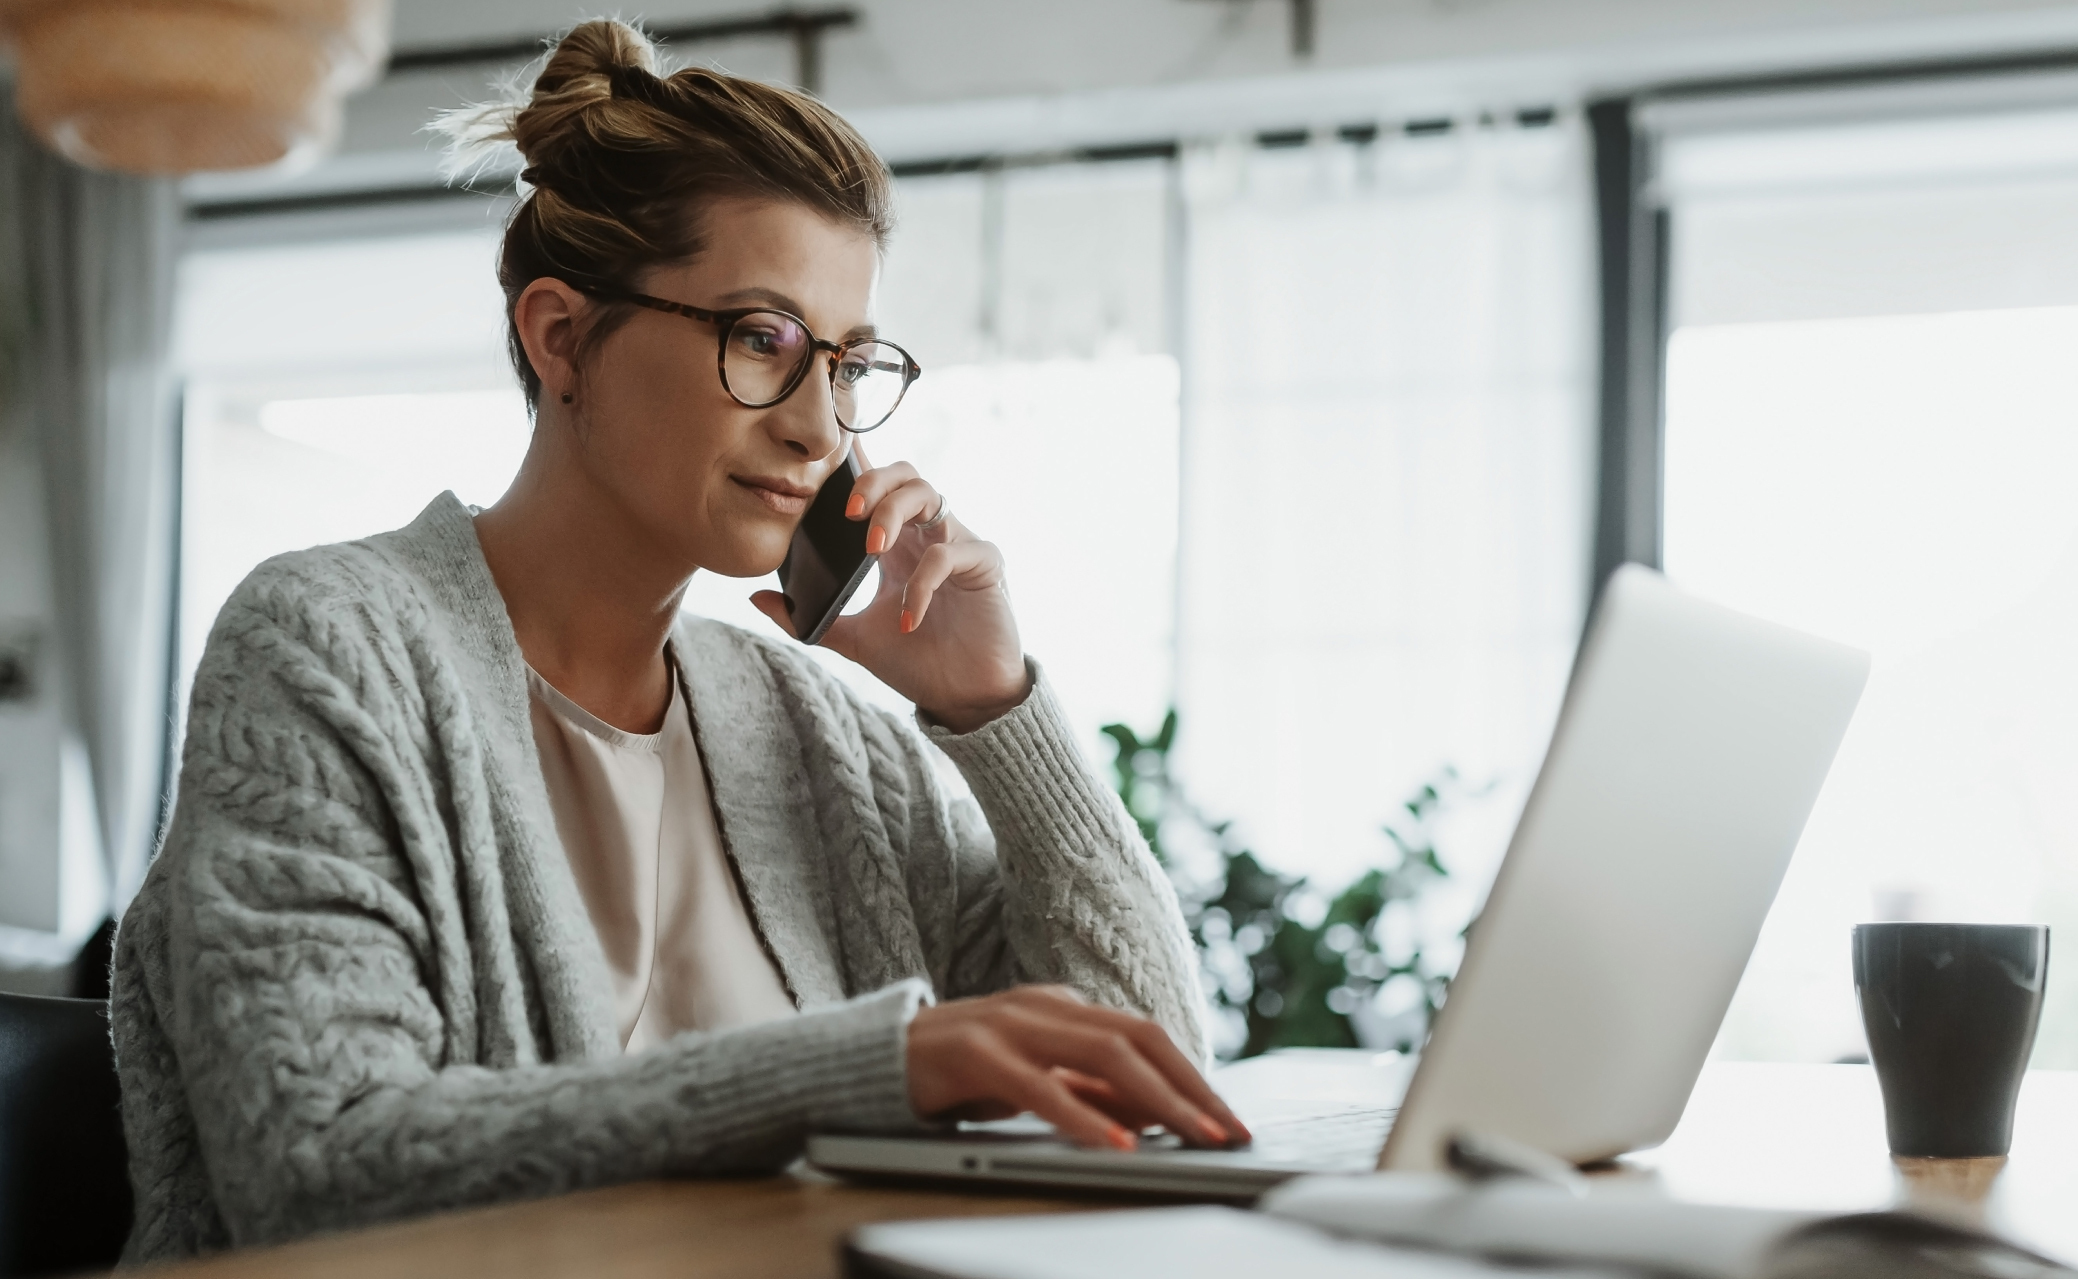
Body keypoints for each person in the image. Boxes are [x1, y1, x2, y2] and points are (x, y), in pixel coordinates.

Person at [109, 19, 1246, 1265]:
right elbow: (316, 1162)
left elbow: (1154, 1076)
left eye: (849, 363)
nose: (821, 426)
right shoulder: (327, 647)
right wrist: (857, 1069)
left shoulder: (819, 735)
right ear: (559, 340)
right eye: (762, 339)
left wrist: (996, 715)